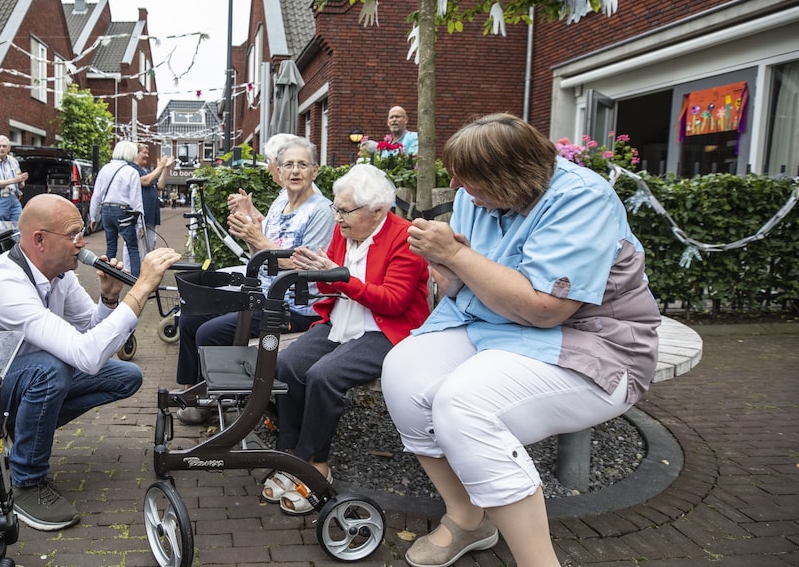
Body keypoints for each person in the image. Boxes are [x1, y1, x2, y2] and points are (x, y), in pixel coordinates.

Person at [382, 113, 661, 567]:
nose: (460, 188)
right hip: (495, 324)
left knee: (465, 404)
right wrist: (446, 268)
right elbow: (464, 284)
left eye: (471, 181)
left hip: (592, 343)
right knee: (402, 374)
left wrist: (455, 254)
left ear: (512, 178)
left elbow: (546, 309)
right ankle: (468, 519)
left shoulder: (582, 199)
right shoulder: (475, 193)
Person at [0, 193, 182, 531]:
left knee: (125, 376)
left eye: (82, 232)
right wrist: (141, 289)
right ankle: (27, 484)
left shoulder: (60, 275)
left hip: (19, 377)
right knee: (51, 370)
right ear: (39, 240)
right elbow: (85, 356)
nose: (82, 242)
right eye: (73, 234)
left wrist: (109, 298)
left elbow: (91, 331)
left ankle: (22, 428)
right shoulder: (6, 286)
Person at [262, 164, 431, 515]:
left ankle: (315, 464)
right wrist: (319, 270)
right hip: (340, 321)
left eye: (345, 210)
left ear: (379, 211)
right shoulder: (345, 230)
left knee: (324, 375)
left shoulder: (405, 236)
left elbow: (394, 301)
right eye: (335, 209)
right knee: (287, 364)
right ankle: (290, 451)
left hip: (385, 329)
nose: (337, 218)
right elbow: (328, 286)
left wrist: (337, 277)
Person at [174, 135, 335, 424]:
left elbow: (307, 263)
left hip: (294, 307)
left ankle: (209, 398)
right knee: (190, 316)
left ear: (315, 171)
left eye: (302, 164)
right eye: (288, 165)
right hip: (262, 295)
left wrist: (258, 238)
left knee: (209, 332)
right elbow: (259, 254)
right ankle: (192, 390)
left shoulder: (322, 211)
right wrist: (250, 230)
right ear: (279, 170)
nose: (295, 171)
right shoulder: (280, 203)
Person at [89, 140, 145, 276]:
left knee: (111, 247)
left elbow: (96, 194)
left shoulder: (105, 169)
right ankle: (135, 280)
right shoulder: (131, 172)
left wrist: (93, 216)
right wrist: (140, 223)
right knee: (132, 247)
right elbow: (136, 200)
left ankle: (108, 276)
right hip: (124, 212)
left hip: (107, 210)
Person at [134, 143, 174, 254]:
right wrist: (160, 166)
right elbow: (146, 181)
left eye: (148, 153)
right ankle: (131, 270)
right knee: (133, 245)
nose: (147, 155)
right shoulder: (132, 169)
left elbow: (160, 186)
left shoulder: (147, 170)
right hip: (139, 215)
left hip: (151, 214)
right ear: (135, 153)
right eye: (144, 152)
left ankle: (147, 268)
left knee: (150, 245)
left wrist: (165, 168)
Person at [0, 135, 28, 225]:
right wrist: (14, 180)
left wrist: (22, 179)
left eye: (4, 146)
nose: (2, 148)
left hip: (13, 199)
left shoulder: (13, 161)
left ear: (9, 148)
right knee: (0, 229)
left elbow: (21, 185)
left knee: (19, 226)